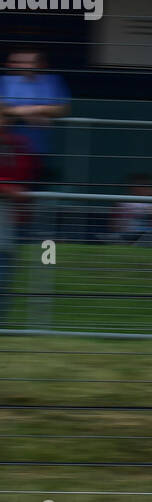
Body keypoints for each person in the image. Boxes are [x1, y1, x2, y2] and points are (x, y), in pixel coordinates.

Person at [0, 50, 69, 185]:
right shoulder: (5, 81)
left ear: (41, 64)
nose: (24, 65)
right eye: (19, 62)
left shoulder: (52, 80)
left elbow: (62, 109)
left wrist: (35, 109)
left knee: (33, 189)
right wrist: (25, 113)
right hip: (10, 149)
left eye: (29, 62)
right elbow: (2, 108)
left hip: (39, 148)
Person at [0, 109, 36, 326]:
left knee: (4, 276)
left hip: (10, 220)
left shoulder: (18, 144)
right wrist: (5, 186)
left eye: (4, 117)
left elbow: (26, 176)